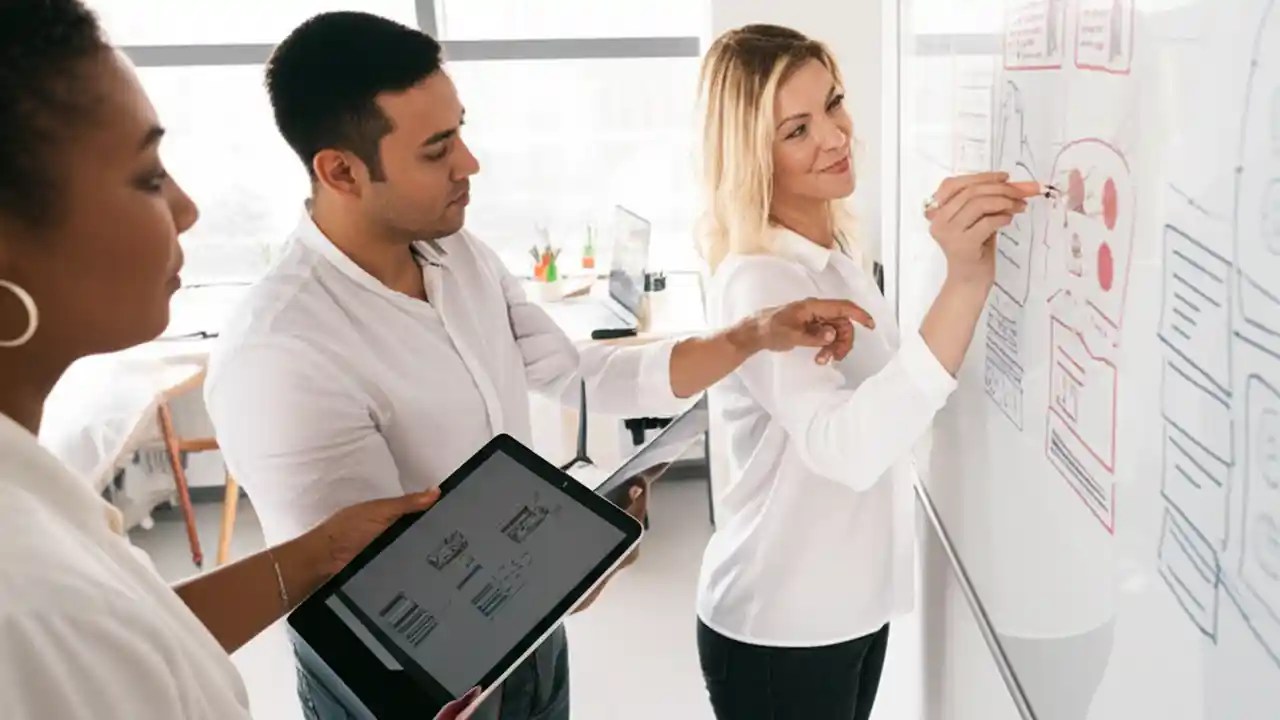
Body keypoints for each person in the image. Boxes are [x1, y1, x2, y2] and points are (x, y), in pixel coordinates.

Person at [202, 12, 874, 720]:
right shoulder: (279, 352)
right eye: (437, 150)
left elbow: (578, 374)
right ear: (340, 169)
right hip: (414, 690)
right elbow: (371, 594)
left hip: (523, 639)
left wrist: (751, 334)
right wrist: (556, 567)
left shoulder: (458, 254)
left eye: (460, 130)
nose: (470, 163)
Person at [0, 2, 478, 718]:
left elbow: (142, 641)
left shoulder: (43, 539)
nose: (187, 209)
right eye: (147, 175)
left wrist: (318, 553)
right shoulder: (32, 603)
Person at [692, 25, 1039, 720]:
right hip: (779, 626)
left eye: (834, 103)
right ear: (752, 156)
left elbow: (892, 398)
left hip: (849, 609)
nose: (835, 135)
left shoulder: (836, 253)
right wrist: (965, 281)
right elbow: (844, 447)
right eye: (796, 129)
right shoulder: (760, 281)